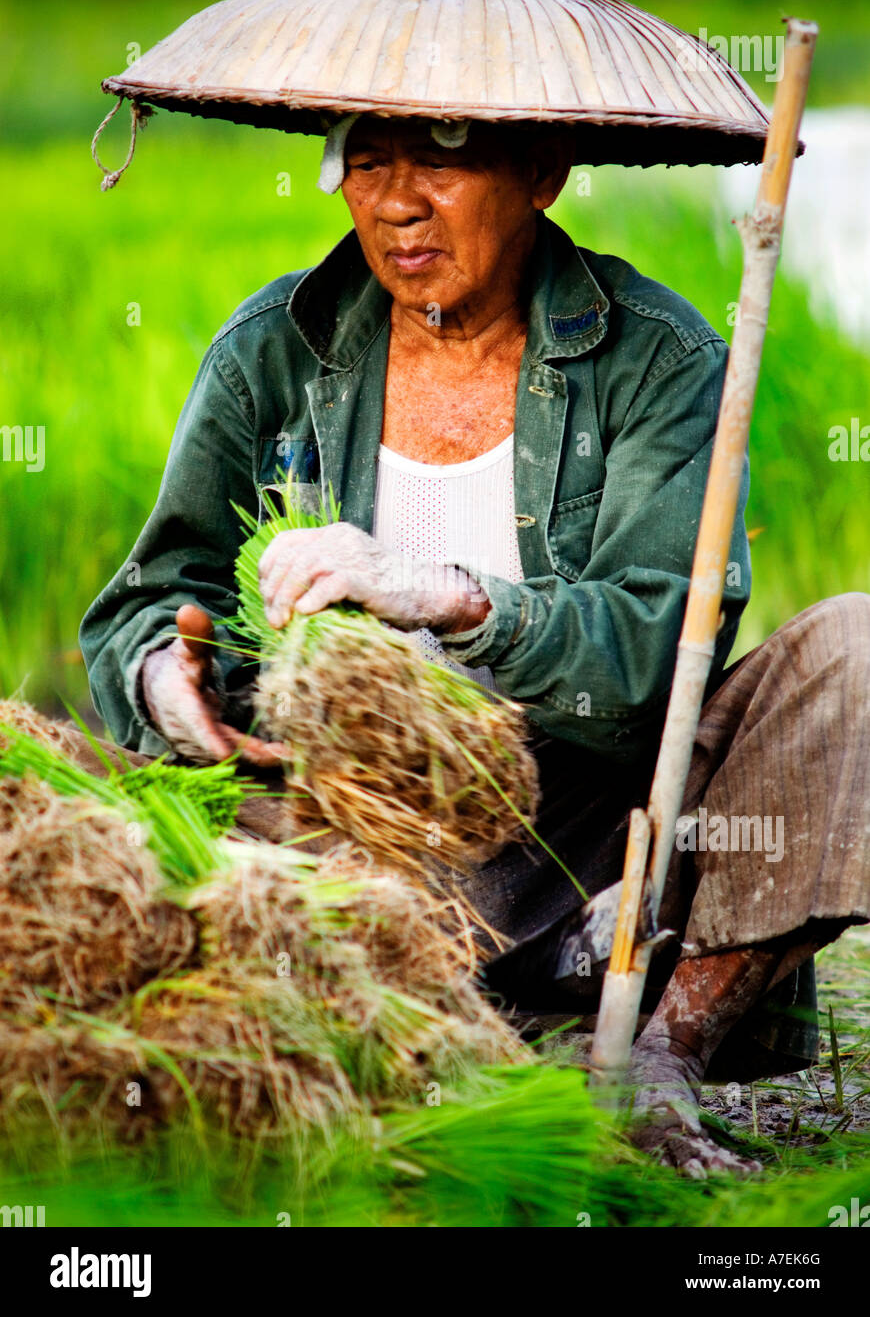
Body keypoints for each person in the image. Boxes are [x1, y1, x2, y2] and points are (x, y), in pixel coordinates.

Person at [80, 115, 870, 1175]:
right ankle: (454, 1026)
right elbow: (151, 599)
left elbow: (648, 650)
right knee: (96, 804)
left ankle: (658, 1048)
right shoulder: (275, 349)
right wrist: (168, 681)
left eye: (440, 162)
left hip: (604, 836)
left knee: (853, 650)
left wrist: (449, 597)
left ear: (543, 173)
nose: (396, 201)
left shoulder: (658, 358)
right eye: (366, 163)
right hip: (351, 840)